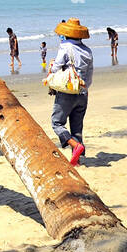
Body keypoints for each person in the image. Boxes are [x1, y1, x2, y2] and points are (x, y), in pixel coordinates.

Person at [47, 18, 93, 165]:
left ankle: (75, 146)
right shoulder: (87, 50)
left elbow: (56, 67)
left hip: (68, 92)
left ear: (67, 34)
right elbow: (89, 74)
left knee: (57, 123)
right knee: (77, 127)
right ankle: (76, 160)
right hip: (83, 92)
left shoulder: (65, 47)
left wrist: (52, 68)